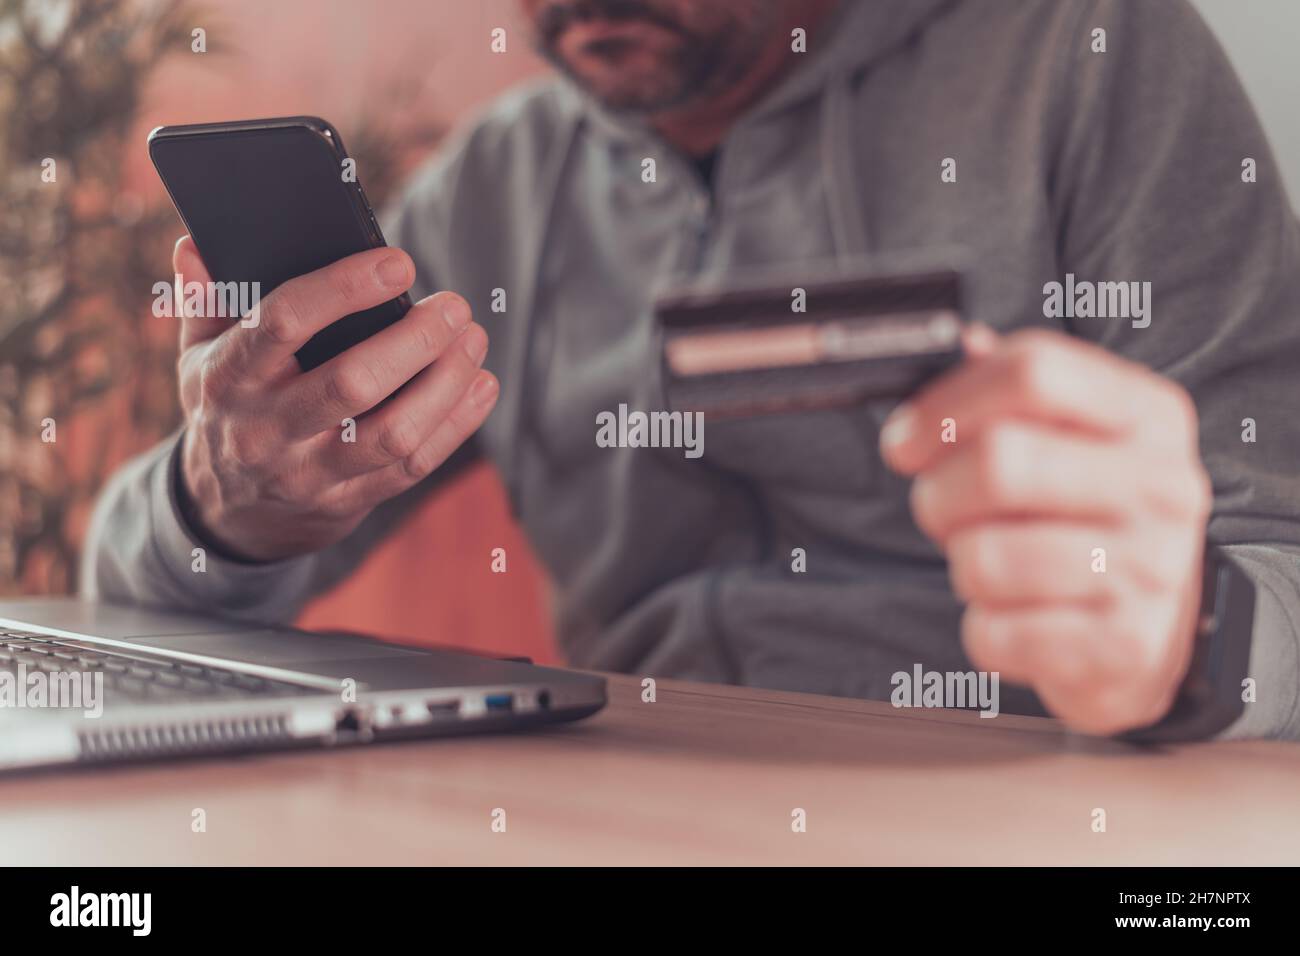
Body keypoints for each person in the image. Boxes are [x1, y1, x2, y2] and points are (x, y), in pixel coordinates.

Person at [84, 0, 1300, 738]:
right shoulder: (504, 180)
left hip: (1013, 799)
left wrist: (1186, 634)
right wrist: (215, 501)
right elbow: (132, 601)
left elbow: (1276, 560)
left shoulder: (1081, 53)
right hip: (625, 799)